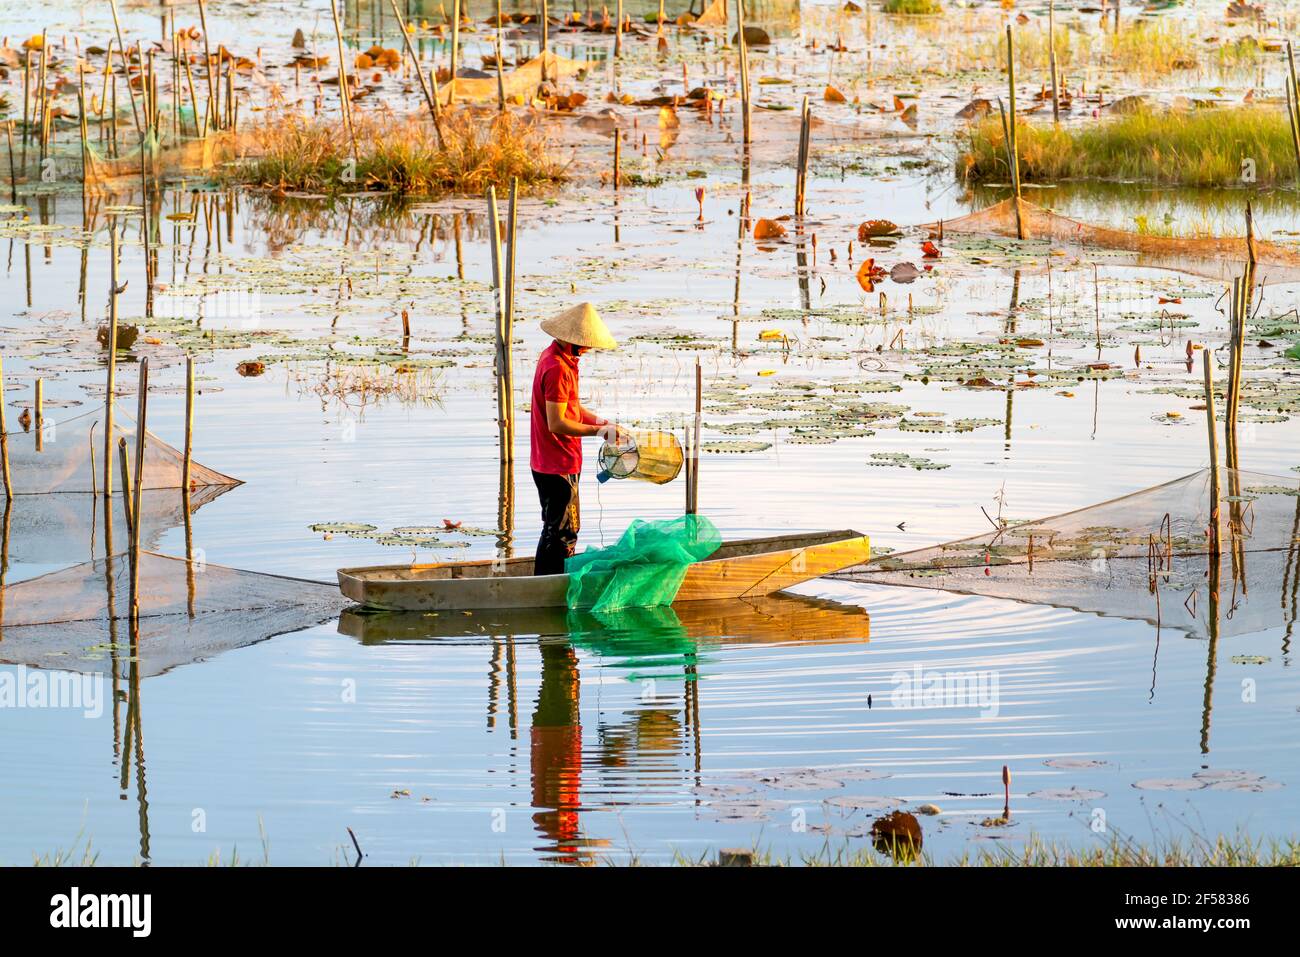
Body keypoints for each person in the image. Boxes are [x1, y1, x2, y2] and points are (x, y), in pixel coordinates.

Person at [529, 303, 624, 576]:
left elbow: (572, 409)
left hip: (551, 460)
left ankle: (545, 580)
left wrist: (604, 423)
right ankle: (549, 586)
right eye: (583, 345)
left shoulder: (557, 358)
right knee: (562, 532)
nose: (586, 350)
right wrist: (599, 433)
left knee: (557, 527)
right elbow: (557, 423)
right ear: (569, 340)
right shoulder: (557, 367)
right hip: (556, 462)